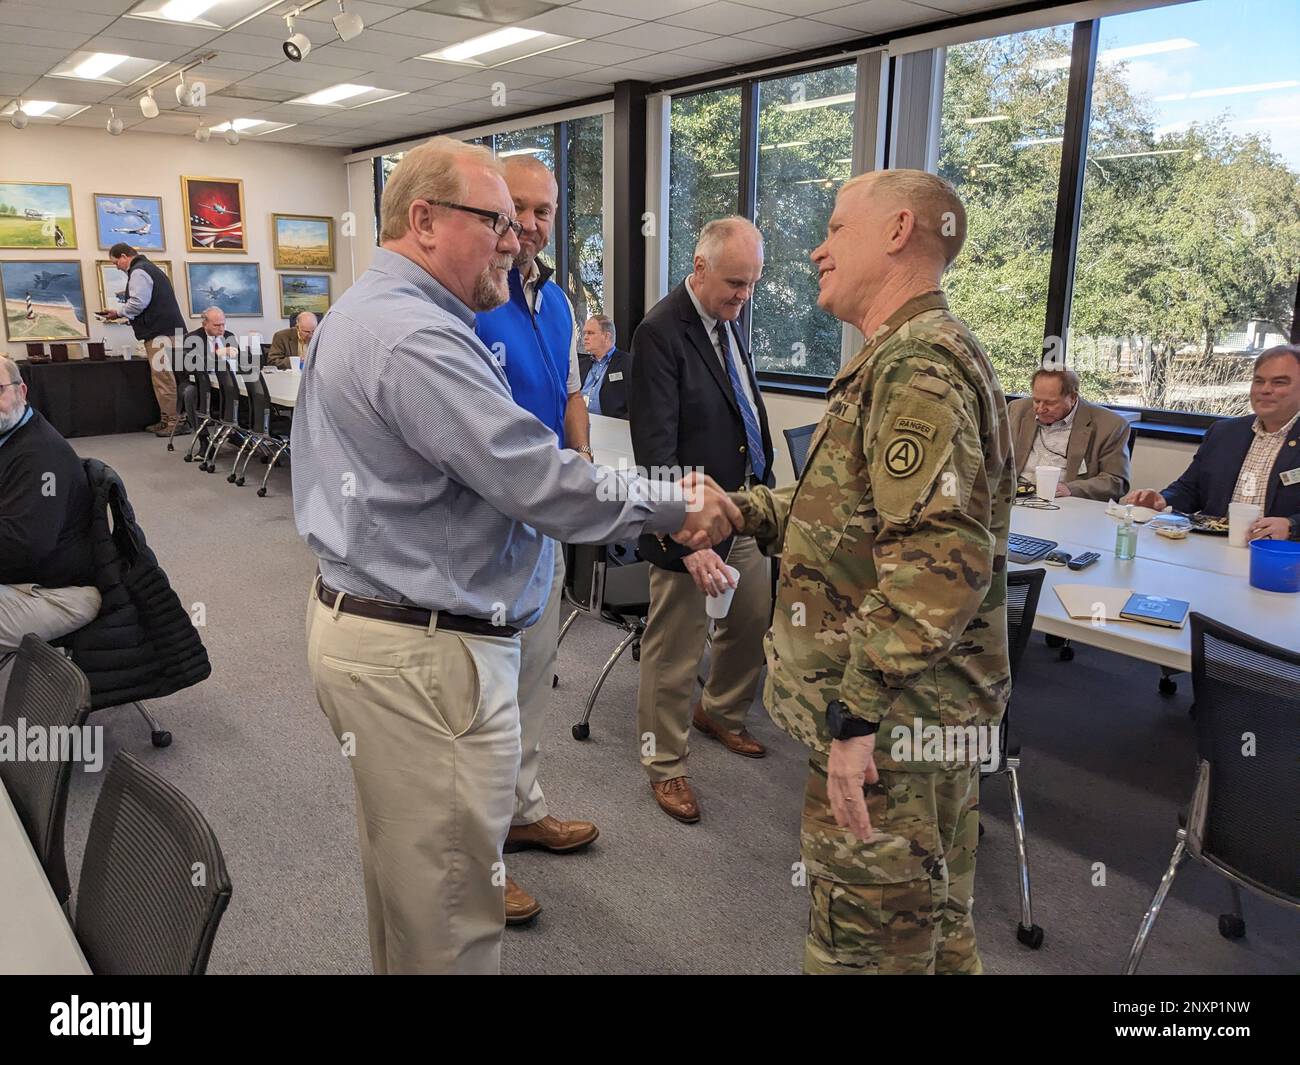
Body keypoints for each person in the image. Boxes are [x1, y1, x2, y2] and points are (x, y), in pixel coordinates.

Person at [290, 137, 740, 976]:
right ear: (422, 220)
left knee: (411, 894)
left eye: (521, 219)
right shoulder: (415, 337)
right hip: (422, 653)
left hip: (382, 623)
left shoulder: (374, 311)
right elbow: (532, 476)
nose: (514, 238)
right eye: (496, 219)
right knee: (455, 917)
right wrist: (677, 501)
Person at [730, 169, 1014, 974]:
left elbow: (941, 568)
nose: (818, 249)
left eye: (834, 228)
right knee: (938, 926)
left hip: (890, 728)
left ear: (896, 232)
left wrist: (855, 719)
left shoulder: (916, 366)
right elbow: (848, 514)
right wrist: (741, 509)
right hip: (915, 717)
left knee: (866, 948)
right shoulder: (903, 356)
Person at [473, 154, 596, 926]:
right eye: (515, 210)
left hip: (544, 523)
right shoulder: (469, 299)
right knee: (483, 695)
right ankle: (479, 860)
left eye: (544, 210)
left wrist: (582, 470)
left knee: (532, 679)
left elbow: (573, 392)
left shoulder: (556, 301)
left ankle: (524, 807)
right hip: (482, 531)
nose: (530, 225)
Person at [629, 216, 776, 824]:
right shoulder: (661, 332)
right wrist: (687, 539)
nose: (743, 296)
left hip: (740, 506)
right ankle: (664, 764)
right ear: (699, 267)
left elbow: (739, 410)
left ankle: (720, 710)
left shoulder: (728, 321)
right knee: (675, 648)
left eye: (751, 285)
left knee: (752, 622)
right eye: (734, 283)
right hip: (686, 519)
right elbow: (655, 451)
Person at [0, 355, 100, 703]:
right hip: (28, 574)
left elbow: (24, 546)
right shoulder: (10, 437)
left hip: (59, 591)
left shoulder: (39, 456)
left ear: (21, 391)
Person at [1124, 344, 1300, 540]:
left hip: (1279, 554)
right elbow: (1192, 488)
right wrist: (1162, 500)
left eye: (1279, 382)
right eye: (1259, 381)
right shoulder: (1225, 432)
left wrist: (1292, 526)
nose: (1265, 390)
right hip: (1214, 547)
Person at [100, 242, 187, 438]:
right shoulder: (149, 268)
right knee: (165, 378)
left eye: (116, 263)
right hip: (168, 332)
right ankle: (168, 418)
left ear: (124, 256)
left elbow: (138, 303)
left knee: (164, 379)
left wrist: (118, 312)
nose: (117, 267)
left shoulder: (138, 271)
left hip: (160, 334)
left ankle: (174, 421)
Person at [1008, 367, 1131, 500]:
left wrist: (1071, 489)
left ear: (1072, 398)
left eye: (1050, 403)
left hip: (1065, 501)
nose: (1041, 408)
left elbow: (1116, 481)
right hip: (1016, 496)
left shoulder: (1110, 425)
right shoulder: (1017, 410)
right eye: (1036, 400)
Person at [578, 314, 631, 419]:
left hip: (611, 427)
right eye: (584, 333)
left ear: (607, 336)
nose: (585, 337)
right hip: (580, 423)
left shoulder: (628, 363)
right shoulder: (581, 365)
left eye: (590, 333)